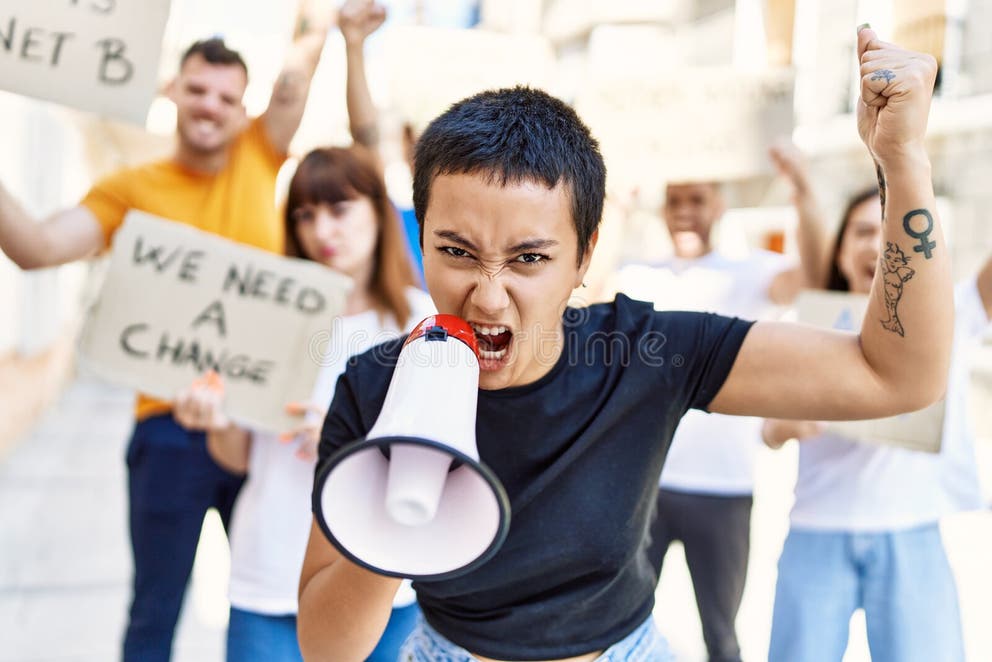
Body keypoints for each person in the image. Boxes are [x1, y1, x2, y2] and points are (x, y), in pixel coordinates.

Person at [298, 27, 952, 662]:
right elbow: (327, 648)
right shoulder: (375, 386)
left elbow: (894, 378)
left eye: (528, 258)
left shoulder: (647, 352)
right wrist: (393, 512)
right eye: (456, 252)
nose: (489, 296)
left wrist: (903, 161)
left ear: (583, 258)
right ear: (422, 243)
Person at [0, 6, 334, 660]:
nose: (210, 105)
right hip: (167, 431)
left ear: (244, 110)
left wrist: (322, 23)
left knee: (277, 605)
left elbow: (299, 68)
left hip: (258, 427)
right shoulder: (130, 188)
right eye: (197, 89)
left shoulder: (261, 154)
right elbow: (36, 247)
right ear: (172, 92)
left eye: (226, 96)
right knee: (155, 611)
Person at [174, 144, 433, 662]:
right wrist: (216, 419)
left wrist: (353, 449)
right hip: (269, 573)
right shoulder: (266, 320)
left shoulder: (420, 323)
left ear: (379, 212)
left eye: (339, 209)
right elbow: (239, 458)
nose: (322, 231)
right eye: (306, 214)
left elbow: (444, 463)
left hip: (382, 581)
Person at [610, 144, 824, 662]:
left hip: (725, 488)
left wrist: (803, 191)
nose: (685, 209)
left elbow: (814, 277)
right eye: (675, 199)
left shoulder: (749, 270)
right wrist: (616, 206)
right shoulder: (639, 272)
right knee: (620, 626)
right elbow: (587, 287)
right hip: (648, 485)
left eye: (697, 198)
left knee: (721, 636)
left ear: (720, 205)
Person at [761, 182, 990, 662]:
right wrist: (789, 423)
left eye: (891, 232)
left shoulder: (947, 316)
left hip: (912, 531)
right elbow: (768, 430)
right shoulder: (806, 328)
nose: (877, 244)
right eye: (863, 231)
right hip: (816, 530)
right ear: (841, 252)